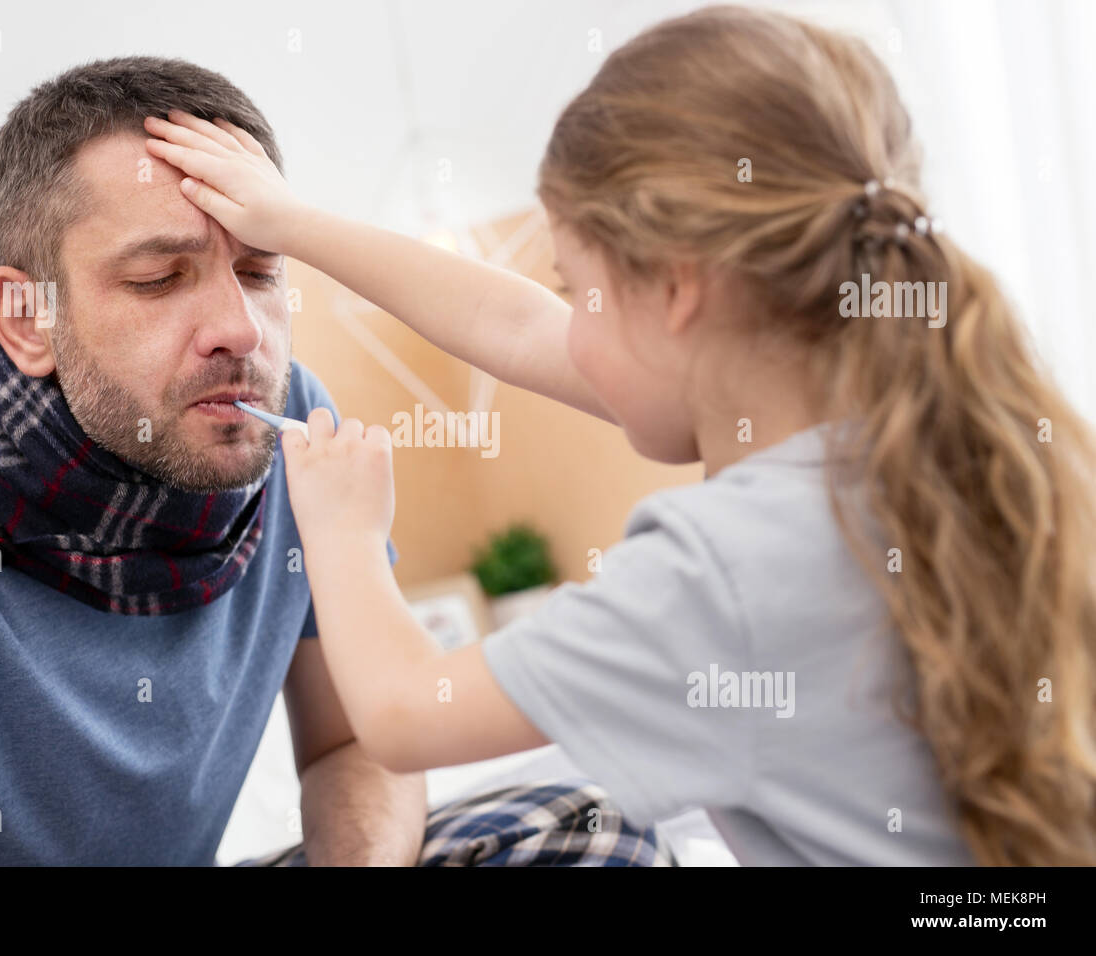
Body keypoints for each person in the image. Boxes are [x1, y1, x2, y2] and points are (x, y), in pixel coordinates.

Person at [146, 5, 1096, 866]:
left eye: (573, 285)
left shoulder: (723, 572)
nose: (564, 328)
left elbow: (400, 715)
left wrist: (345, 536)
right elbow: (513, 330)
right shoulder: (972, 445)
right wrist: (291, 224)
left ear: (677, 289)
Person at [0, 56, 663, 867]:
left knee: (587, 826)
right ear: (26, 319)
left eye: (258, 271)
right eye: (159, 279)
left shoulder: (294, 427)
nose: (241, 332)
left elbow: (356, 738)